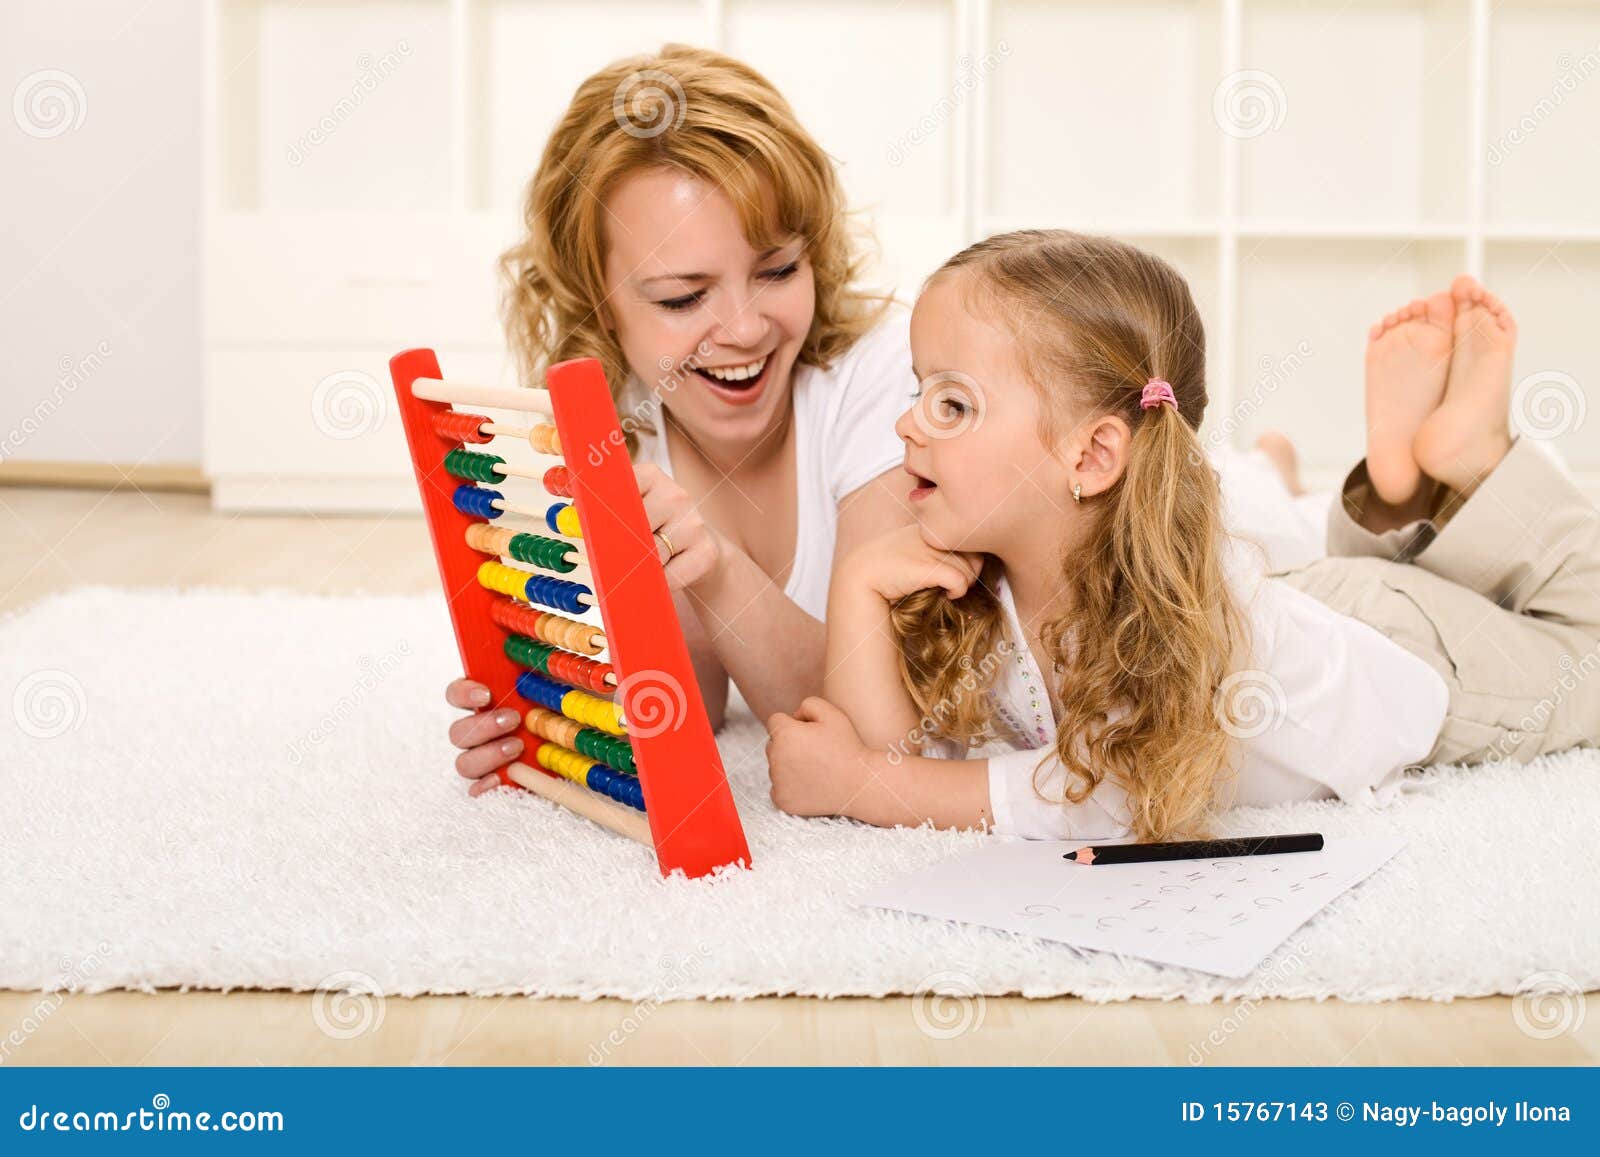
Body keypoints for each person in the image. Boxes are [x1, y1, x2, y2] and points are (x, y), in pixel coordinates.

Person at [765, 230, 1600, 841]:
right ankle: (1396, 492)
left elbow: (1122, 798)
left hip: (1411, 650)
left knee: (1587, 647)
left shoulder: (1179, 614)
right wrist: (859, 583)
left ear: (1092, 456)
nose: (906, 424)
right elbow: (908, 747)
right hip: (1304, 606)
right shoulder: (991, 572)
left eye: (951, 404)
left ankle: (1476, 464)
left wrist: (870, 788)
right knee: (1311, 560)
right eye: (918, 392)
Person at [444, 45, 914, 794]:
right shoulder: (611, 422)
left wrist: (717, 569)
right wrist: (544, 709)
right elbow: (691, 702)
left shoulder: (882, 383)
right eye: (681, 298)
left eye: (778, 269)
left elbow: (866, 731)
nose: (745, 329)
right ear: (597, 305)